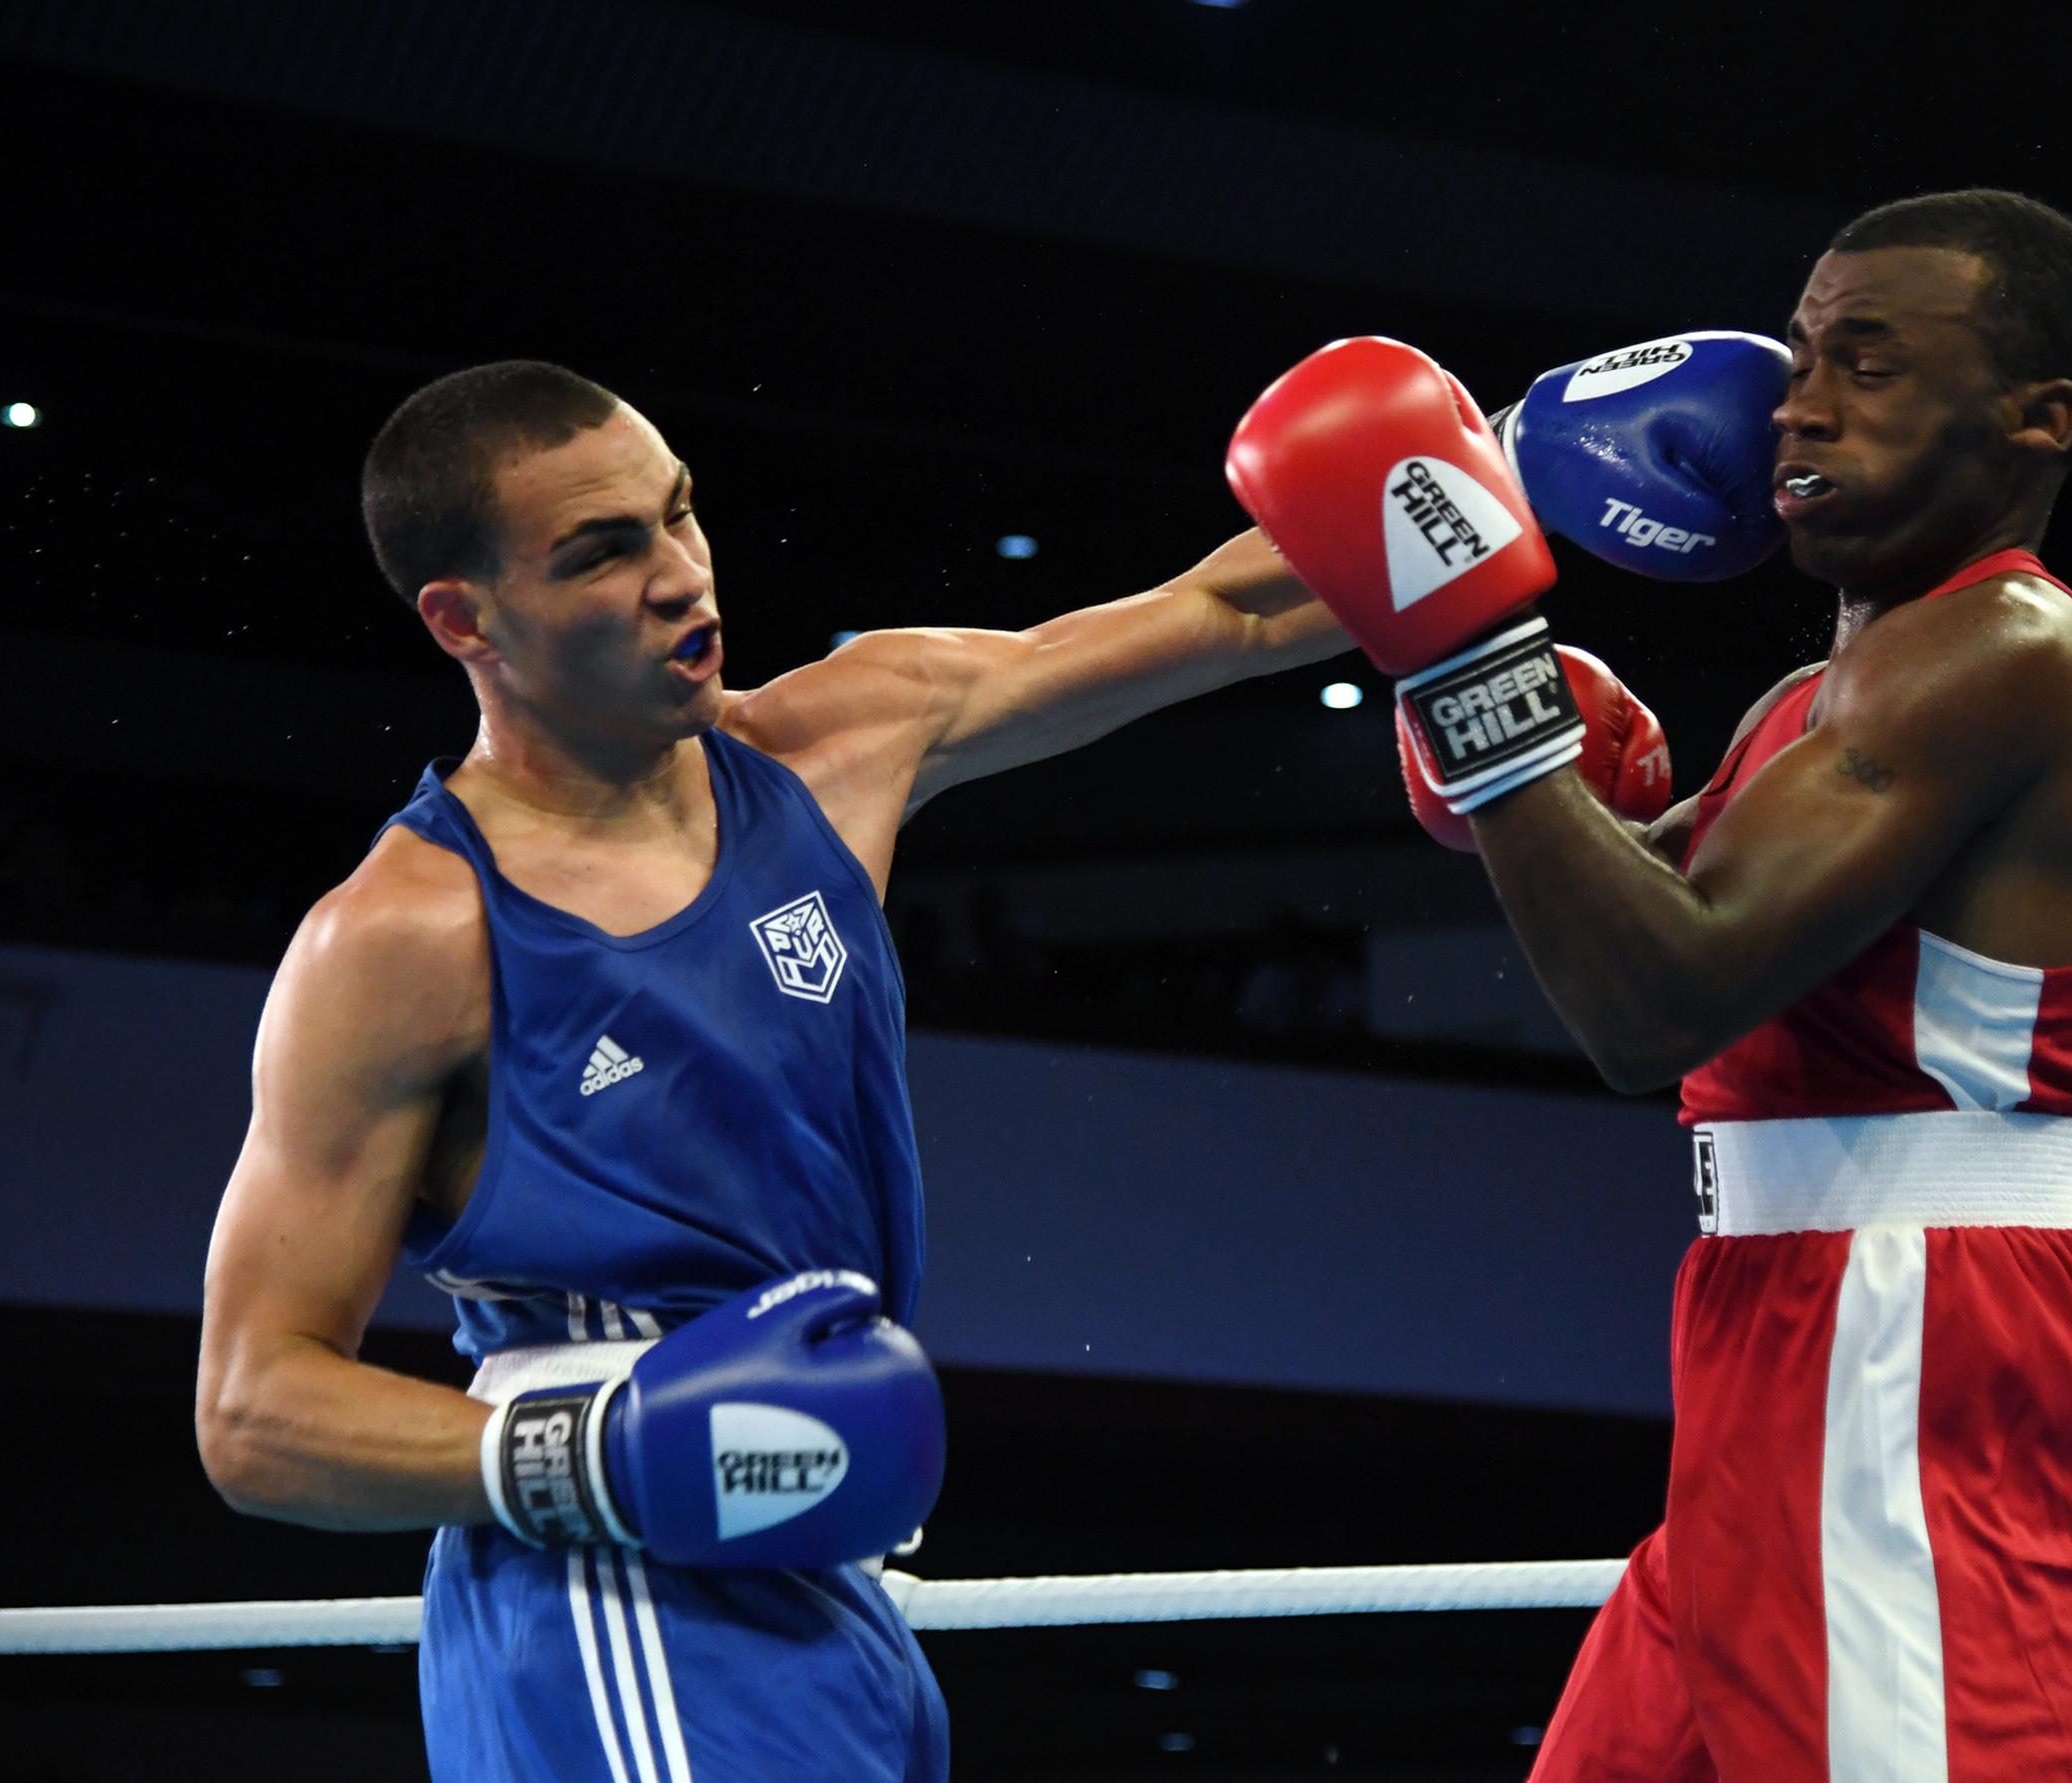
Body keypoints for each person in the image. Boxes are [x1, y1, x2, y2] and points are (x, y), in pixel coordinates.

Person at [193, 359, 1341, 1782]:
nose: (682, 577)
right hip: (608, 1596)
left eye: (682, 517)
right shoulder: (406, 936)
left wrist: (1501, 483)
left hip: (826, 1575)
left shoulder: (833, 743)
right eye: (607, 552)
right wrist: (606, 1453)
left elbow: (1225, 611)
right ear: (462, 618)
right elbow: (254, 1410)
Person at [1232, 189, 2072, 1780]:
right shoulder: (1826, 689)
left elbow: (1655, 1003)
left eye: (1869, 364)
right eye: (1802, 354)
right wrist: (1540, 770)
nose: (1799, 401)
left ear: (2038, 417)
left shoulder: (2004, 651)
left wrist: (1471, 668)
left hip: (1925, 1328)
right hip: (1780, 1327)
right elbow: (1626, 908)